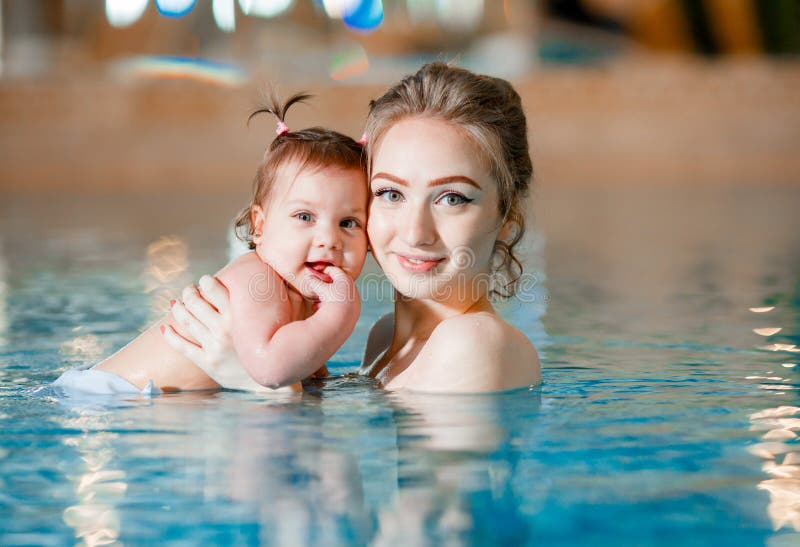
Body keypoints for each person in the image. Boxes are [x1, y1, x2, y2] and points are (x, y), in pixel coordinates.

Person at [164, 63, 541, 393]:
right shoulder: (384, 341)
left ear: (506, 221)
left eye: (453, 198)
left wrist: (252, 380)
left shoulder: (473, 343)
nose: (415, 232)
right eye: (391, 193)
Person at [54, 93, 368, 394]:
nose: (329, 240)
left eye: (348, 223)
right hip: (107, 395)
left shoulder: (299, 297)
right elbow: (271, 371)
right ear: (260, 226)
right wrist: (340, 313)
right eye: (304, 216)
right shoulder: (257, 280)